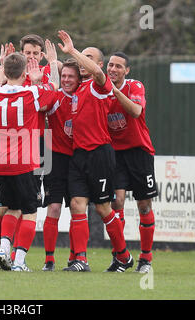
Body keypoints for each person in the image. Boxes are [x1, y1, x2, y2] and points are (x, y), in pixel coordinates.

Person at [57, 30, 133, 272]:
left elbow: (99, 73)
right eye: (82, 56)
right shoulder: (78, 89)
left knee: (103, 209)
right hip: (79, 155)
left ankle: (123, 255)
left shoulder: (100, 85)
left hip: (100, 154)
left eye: (87, 57)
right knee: (78, 204)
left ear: (98, 63)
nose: (82, 61)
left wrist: (73, 51)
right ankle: (81, 260)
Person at [0, 41, 59, 272]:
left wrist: (3, 64)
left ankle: (2, 248)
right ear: (24, 72)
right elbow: (55, 87)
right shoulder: (32, 93)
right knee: (29, 211)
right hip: (23, 161)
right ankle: (19, 261)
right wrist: (51, 63)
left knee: (11, 207)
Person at [106, 52, 157, 273]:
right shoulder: (98, 89)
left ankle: (145, 258)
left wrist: (114, 92)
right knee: (116, 203)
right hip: (115, 154)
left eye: (118, 66)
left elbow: (136, 111)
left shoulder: (135, 86)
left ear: (127, 71)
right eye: (110, 65)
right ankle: (120, 256)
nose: (113, 69)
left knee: (144, 205)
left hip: (139, 152)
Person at [41, 59, 81, 271]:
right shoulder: (55, 97)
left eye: (70, 76)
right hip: (55, 158)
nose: (66, 80)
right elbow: (38, 104)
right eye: (63, 76)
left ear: (78, 79)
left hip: (79, 160)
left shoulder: (85, 96)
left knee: (77, 209)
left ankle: (76, 258)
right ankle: (49, 260)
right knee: (54, 208)